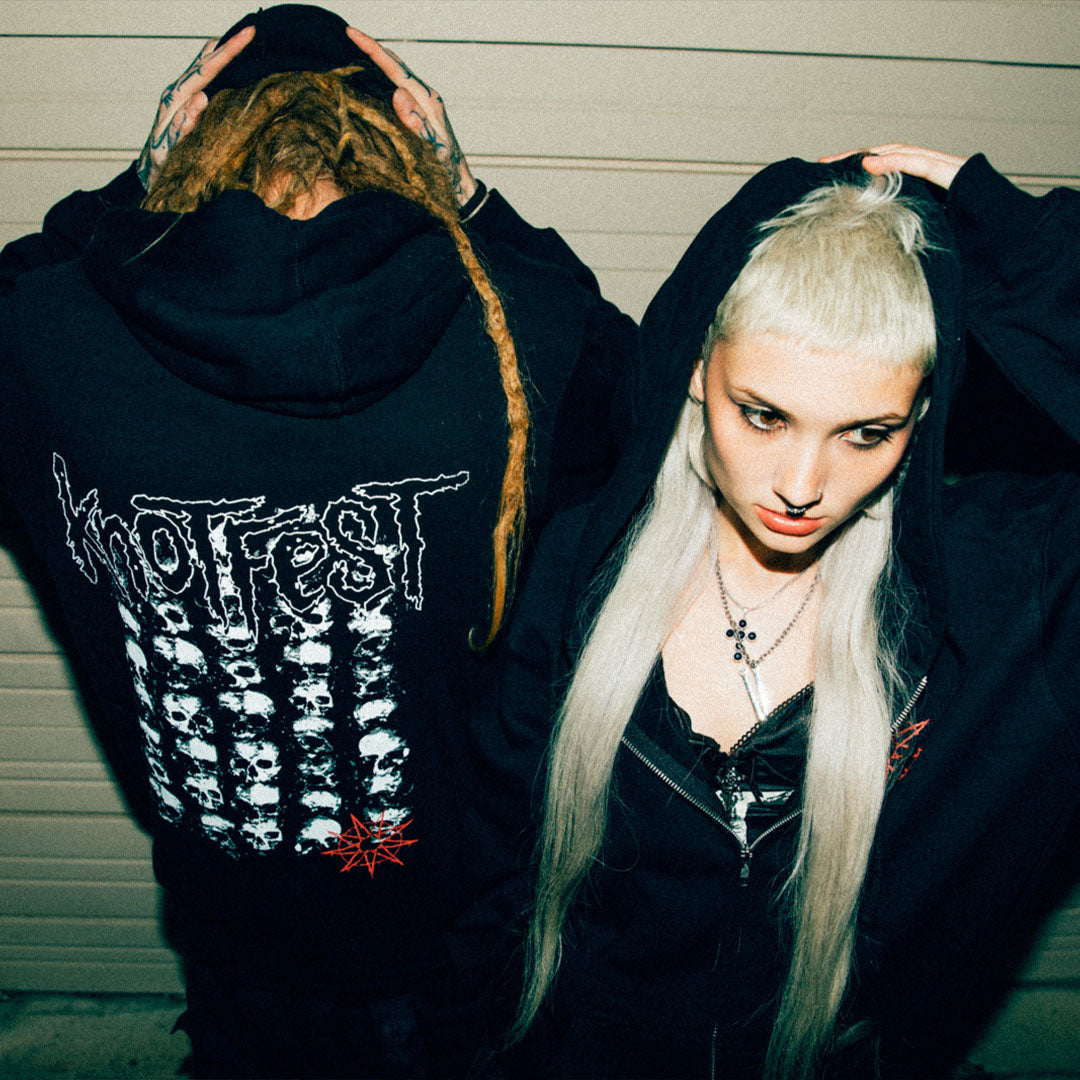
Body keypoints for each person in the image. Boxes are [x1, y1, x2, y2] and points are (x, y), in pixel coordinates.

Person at [0, 4, 635, 1077]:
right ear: (404, 146)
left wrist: (126, 193)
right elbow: (645, 403)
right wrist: (474, 199)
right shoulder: (515, 318)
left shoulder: (48, 335)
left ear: (191, 139)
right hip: (449, 912)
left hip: (233, 918)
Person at [489, 148, 1080, 1078]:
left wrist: (1022, 242)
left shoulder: (1008, 598)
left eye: (867, 433)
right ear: (696, 370)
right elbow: (489, 876)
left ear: (923, 415)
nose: (802, 487)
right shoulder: (577, 569)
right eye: (763, 415)